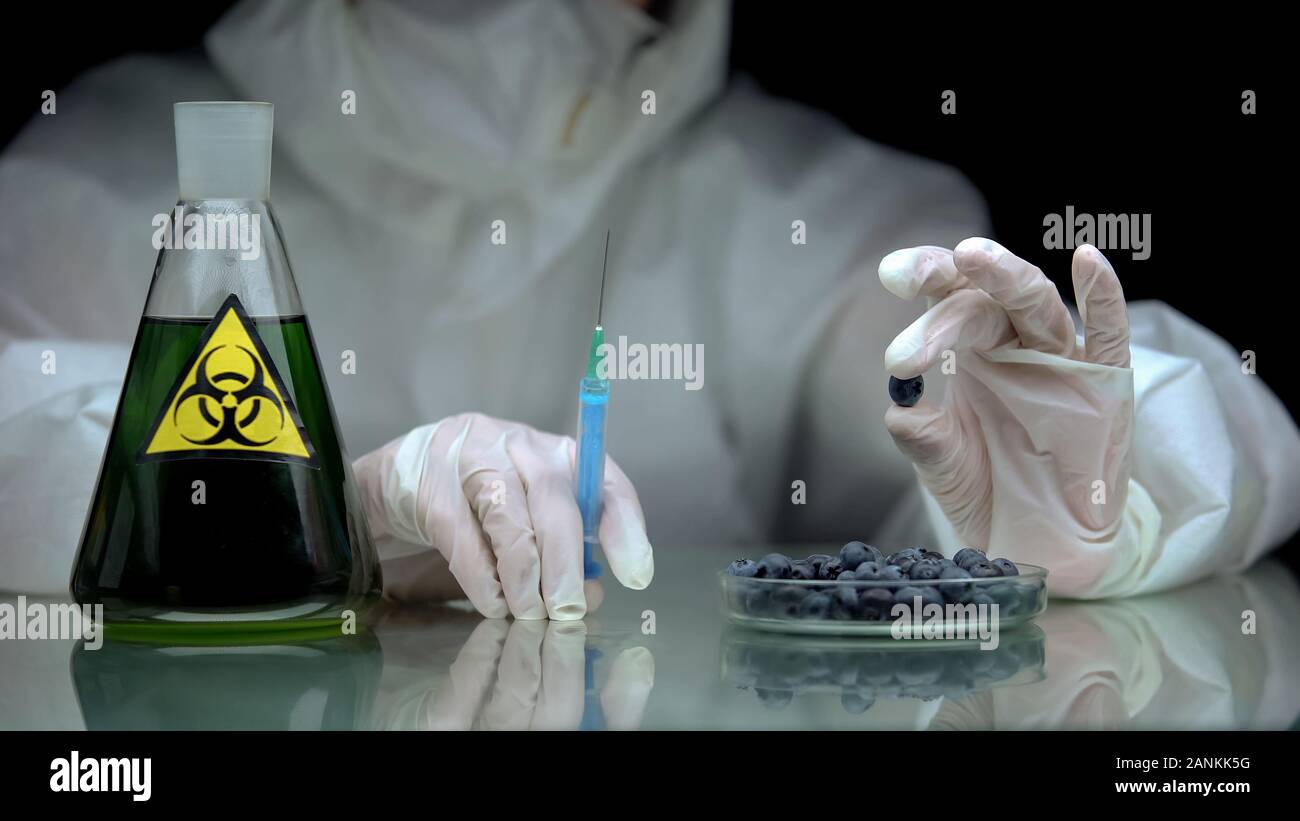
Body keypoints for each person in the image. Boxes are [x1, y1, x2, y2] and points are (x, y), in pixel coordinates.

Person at [1, 0, 1297, 618]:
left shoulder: (812, 208)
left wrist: (1117, 479)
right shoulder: (93, 185)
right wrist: (328, 514)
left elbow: (973, 388)